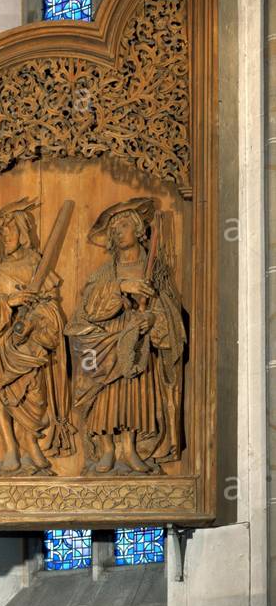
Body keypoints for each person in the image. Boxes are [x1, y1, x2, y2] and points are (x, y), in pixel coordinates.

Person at [65, 198, 186, 474]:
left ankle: (130, 449)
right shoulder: (105, 273)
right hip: (107, 344)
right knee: (106, 397)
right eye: (114, 228)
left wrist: (152, 318)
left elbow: (167, 307)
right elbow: (88, 310)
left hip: (138, 348)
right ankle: (106, 449)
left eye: (123, 225)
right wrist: (121, 287)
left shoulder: (155, 270)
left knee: (135, 396)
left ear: (139, 229)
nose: (118, 231)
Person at [0, 198, 72, 475]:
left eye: (10, 229)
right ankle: (10, 448)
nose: (5, 234)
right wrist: (7, 303)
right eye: (1, 230)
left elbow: (51, 303)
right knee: (1, 396)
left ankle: (31, 441)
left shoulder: (36, 264)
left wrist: (38, 317)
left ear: (23, 231)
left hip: (30, 344)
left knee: (36, 395)